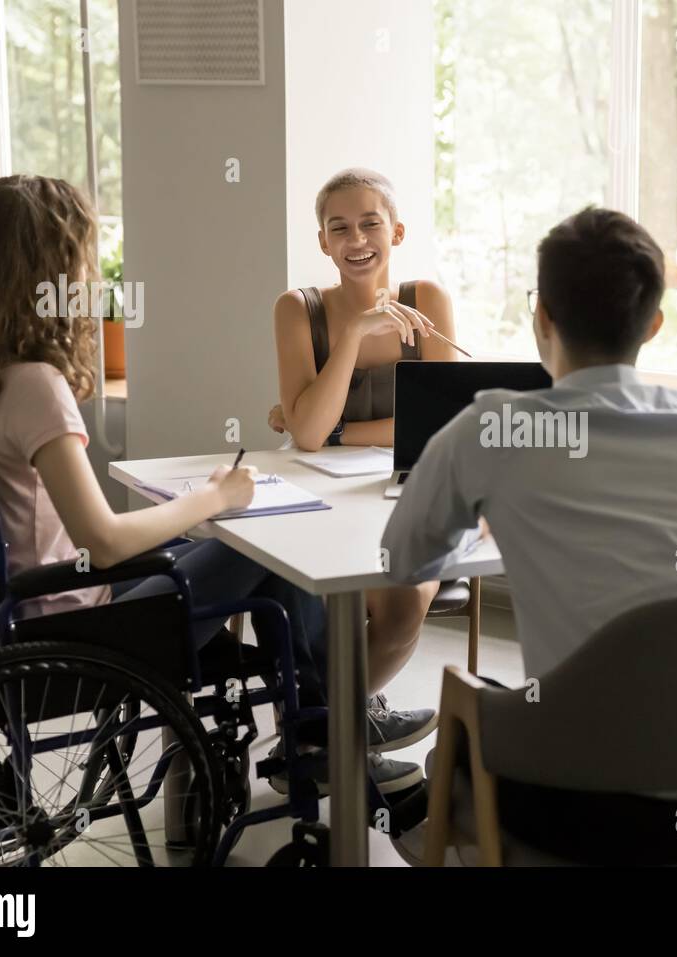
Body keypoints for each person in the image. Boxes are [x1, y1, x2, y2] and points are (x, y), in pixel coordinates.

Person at [0, 175, 421, 795]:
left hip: (11, 614)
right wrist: (213, 498)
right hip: (78, 626)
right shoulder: (33, 387)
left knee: (246, 543)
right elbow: (101, 542)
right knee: (274, 549)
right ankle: (323, 739)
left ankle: (317, 734)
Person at [381, 207, 677, 864]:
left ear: (542, 316)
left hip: (579, 810)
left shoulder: (495, 428)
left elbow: (401, 558)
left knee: (443, 761)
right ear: (652, 324)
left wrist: (485, 524)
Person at [270, 168, 460, 774]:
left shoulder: (426, 300)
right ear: (323, 241)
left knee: (406, 601)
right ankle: (342, 734)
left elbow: (440, 422)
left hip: (402, 491)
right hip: (316, 496)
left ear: (396, 231)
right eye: (339, 228)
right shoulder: (297, 310)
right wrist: (352, 334)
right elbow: (305, 435)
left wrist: (336, 430)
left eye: (371, 223)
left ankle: (320, 733)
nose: (357, 239)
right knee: (328, 594)